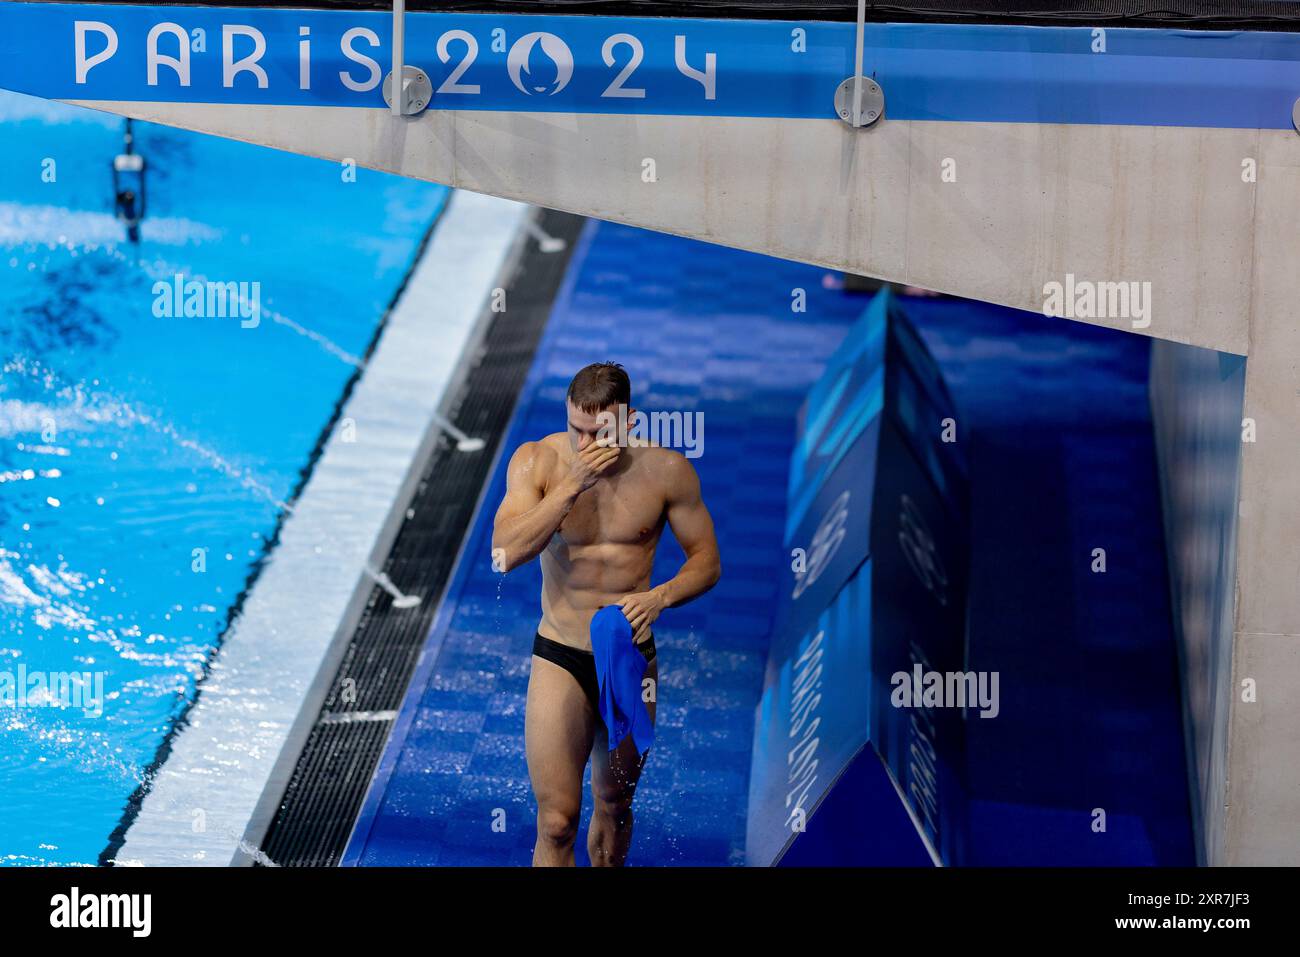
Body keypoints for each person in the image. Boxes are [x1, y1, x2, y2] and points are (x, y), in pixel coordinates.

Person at [491, 362, 721, 866]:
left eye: (601, 431)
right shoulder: (537, 463)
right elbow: (503, 554)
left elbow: (708, 561)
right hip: (560, 655)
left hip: (630, 659)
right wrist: (571, 485)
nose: (587, 441)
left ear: (630, 421)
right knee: (556, 821)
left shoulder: (666, 472)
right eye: (578, 429)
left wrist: (660, 597)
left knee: (614, 805)